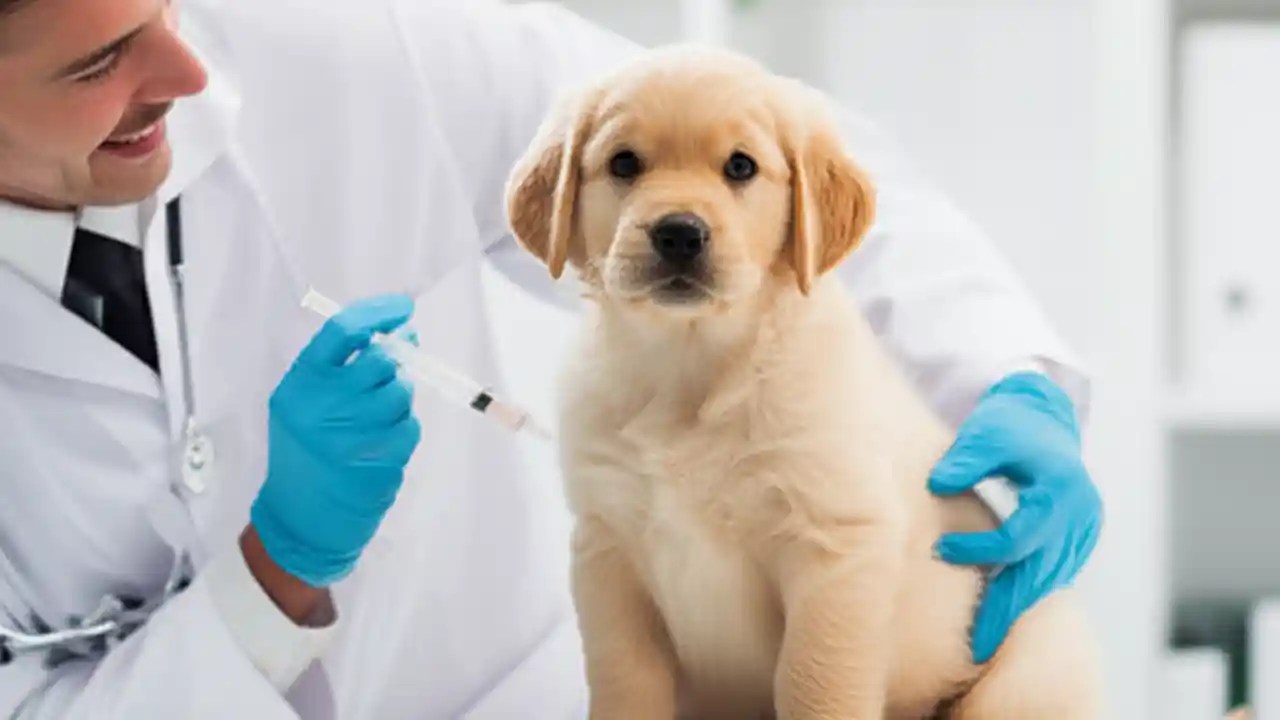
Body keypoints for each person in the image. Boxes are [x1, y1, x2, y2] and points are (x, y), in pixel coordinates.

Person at [0, 0, 1103, 717]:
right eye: (101, 60)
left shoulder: (346, 45)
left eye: (165, 5)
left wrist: (1002, 370)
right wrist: (274, 573)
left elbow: (771, 149)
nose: (189, 70)